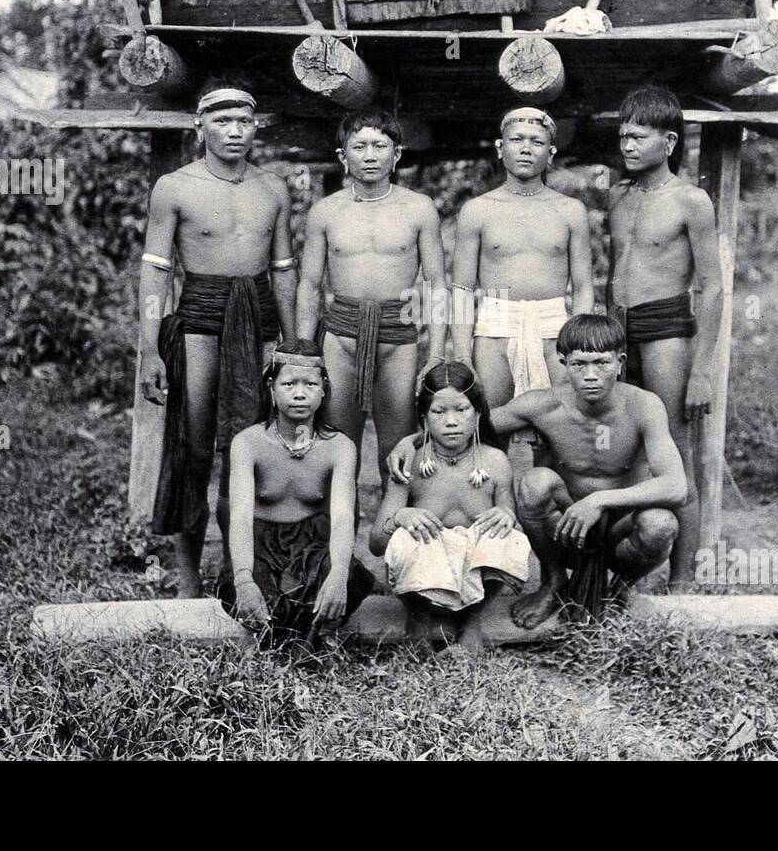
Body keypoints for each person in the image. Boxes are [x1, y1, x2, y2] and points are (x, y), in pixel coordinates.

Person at [388, 314, 687, 628]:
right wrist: (411, 441)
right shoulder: (543, 405)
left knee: (661, 524)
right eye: (579, 364)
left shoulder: (644, 406)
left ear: (620, 361)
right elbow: (469, 425)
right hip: (566, 528)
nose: (591, 375)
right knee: (536, 483)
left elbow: (676, 486)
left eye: (601, 363)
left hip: (619, 530)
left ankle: (620, 588)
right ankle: (554, 582)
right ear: (562, 362)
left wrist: (599, 501)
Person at [138, 84, 298, 601]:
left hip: (258, 319)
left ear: (256, 128)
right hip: (198, 319)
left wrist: (293, 343)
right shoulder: (174, 187)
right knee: (192, 445)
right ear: (199, 127)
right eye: (223, 121)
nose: (234, 132)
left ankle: (241, 573)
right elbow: (155, 274)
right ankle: (188, 580)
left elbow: (283, 270)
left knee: (247, 445)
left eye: (244, 122)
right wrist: (149, 350)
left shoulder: (273, 188)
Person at [605, 85, 723, 591]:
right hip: (618, 330)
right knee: (621, 446)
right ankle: (621, 567)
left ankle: (683, 584)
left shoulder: (691, 201)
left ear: (669, 140)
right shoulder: (618, 197)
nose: (627, 146)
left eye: (638, 136)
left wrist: (702, 369)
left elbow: (713, 285)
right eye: (623, 136)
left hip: (667, 329)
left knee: (675, 449)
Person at [296, 109, 448, 482]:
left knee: (397, 445)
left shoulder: (418, 209)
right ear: (342, 156)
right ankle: (338, 537)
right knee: (336, 441)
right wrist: (302, 350)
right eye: (359, 146)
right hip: (342, 332)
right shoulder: (325, 211)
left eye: (380, 146)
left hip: (399, 334)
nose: (369, 155)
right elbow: (310, 285)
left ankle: (391, 535)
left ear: (396, 155)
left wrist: (439, 350)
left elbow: (436, 284)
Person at [368, 362, 527, 653]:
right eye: (439, 412)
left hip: (475, 579)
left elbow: (513, 525)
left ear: (478, 414)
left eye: (462, 410)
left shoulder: (494, 461)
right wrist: (402, 516)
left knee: (511, 539)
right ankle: (418, 617)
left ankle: (472, 619)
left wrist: (506, 516)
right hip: (423, 582)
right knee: (403, 538)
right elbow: (378, 543)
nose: (451, 421)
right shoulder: (410, 461)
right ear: (424, 419)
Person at [227, 339, 375, 642]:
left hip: (313, 547)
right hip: (261, 546)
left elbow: (343, 516)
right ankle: (262, 635)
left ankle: (321, 630)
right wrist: (243, 579)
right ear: (271, 387)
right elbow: (240, 516)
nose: (299, 393)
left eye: (309, 383)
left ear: (324, 389)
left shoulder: (339, 447)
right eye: (289, 383)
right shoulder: (247, 443)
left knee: (347, 577)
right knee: (246, 587)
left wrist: (337, 575)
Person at [451, 107, 594, 409]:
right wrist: (463, 356)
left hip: (554, 329)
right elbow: (462, 289)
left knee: (559, 426)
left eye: (537, 142)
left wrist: (577, 344)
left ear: (551, 152)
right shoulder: (477, 210)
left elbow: (582, 287)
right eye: (517, 140)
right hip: (495, 327)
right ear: (501, 148)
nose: (526, 149)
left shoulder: (570, 210)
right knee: (488, 424)